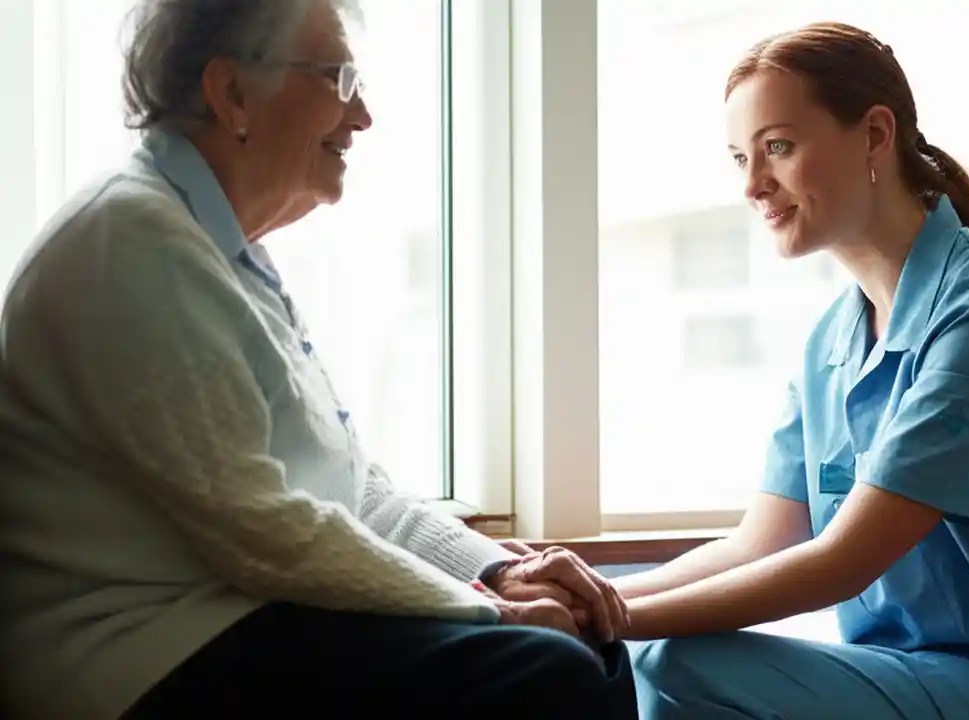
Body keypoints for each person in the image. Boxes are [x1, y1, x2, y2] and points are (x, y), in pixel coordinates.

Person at [0, 1, 635, 718]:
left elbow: (352, 491)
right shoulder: (134, 244)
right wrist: (487, 609)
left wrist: (499, 570)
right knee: (544, 673)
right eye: (337, 79)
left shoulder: (220, 253)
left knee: (586, 646)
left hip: (233, 617)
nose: (361, 115)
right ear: (232, 92)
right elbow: (262, 530)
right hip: (138, 658)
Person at [617, 21, 969, 720]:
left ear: (873, 135)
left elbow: (843, 561)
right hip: (910, 677)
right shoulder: (830, 342)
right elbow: (757, 544)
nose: (753, 185)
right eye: (740, 157)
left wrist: (612, 619)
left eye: (778, 147)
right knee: (634, 658)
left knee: (675, 664)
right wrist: (596, 602)